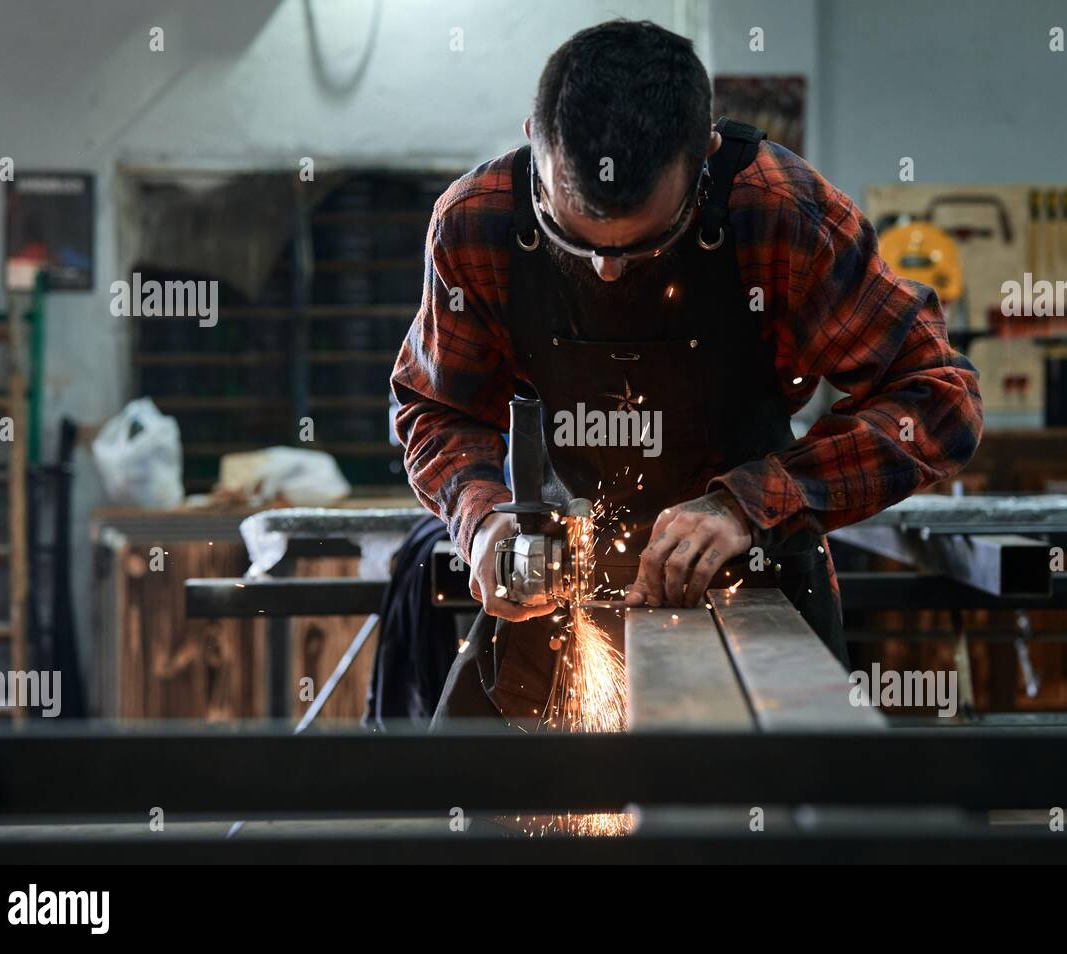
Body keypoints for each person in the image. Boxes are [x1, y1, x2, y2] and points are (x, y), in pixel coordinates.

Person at [390, 20, 983, 725]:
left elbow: (939, 399)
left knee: (770, 820)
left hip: (754, 594)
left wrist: (753, 503)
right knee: (509, 814)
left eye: (645, 243)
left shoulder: (779, 213)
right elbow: (439, 410)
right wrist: (482, 518)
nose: (606, 270)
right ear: (533, 142)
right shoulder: (475, 223)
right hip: (552, 595)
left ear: (702, 157)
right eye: (572, 237)